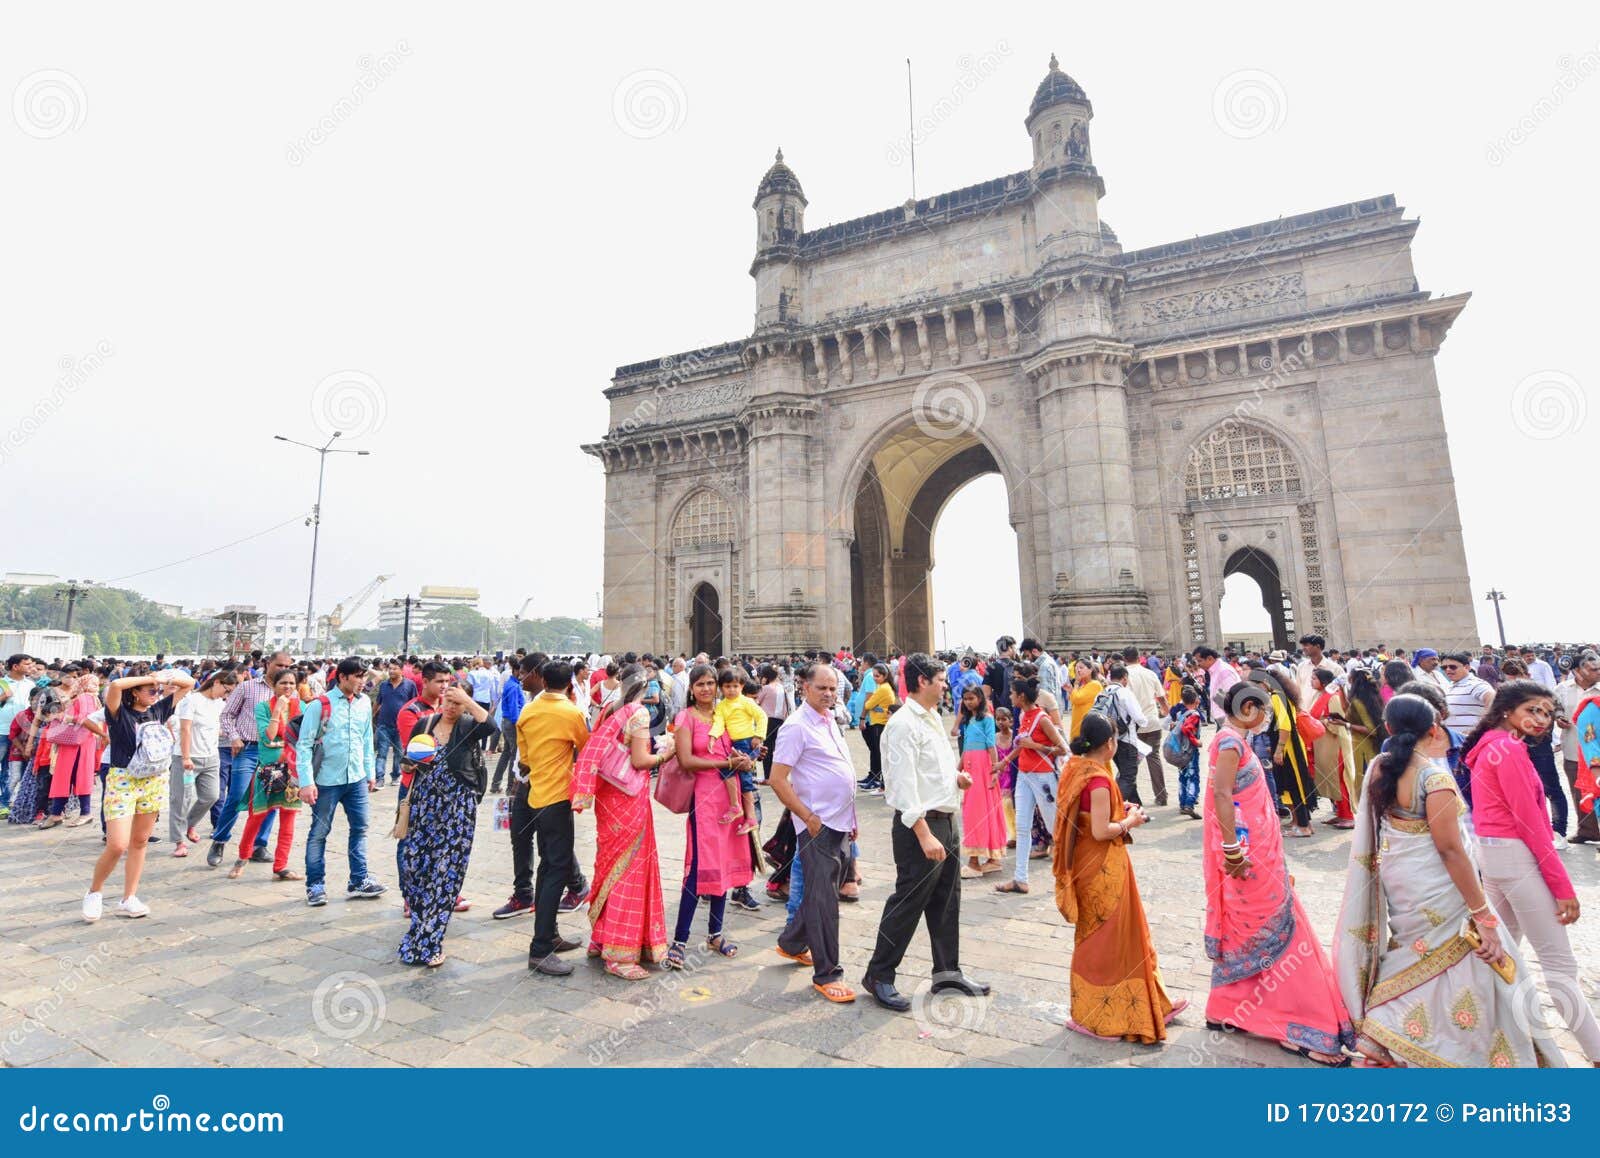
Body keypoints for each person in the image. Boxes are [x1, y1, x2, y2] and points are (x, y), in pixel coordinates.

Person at [1334, 694, 1561, 1067]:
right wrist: (1482, 912)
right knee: (1468, 958)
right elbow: (1451, 851)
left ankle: (1386, 1034)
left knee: (1413, 948)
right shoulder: (1434, 778)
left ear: (1388, 729)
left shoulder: (1379, 767)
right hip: (1439, 886)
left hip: (1401, 880)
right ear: (1434, 728)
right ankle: (1438, 1041)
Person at [1202, 682, 1354, 1066]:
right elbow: (1222, 795)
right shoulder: (1230, 744)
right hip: (1247, 856)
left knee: (1249, 928)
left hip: (1259, 852)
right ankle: (1298, 1020)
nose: (1268, 717)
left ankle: (1228, 1007)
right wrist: (1233, 849)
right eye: (1265, 710)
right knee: (1276, 929)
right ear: (1249, 707)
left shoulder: (1234, 739)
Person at [1462, 679, 1600, 1064]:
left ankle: (1470, 1033)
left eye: (1546, 712)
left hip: (1493, 856)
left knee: (1499, 954)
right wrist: (1562, 886)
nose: (1541, 720)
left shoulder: (1490, 744)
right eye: (1532, 710)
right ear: (1508, 710)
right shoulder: (1506, 749)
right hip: (1517, 857)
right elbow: (1532, 825)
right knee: (1557, 963)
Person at [862, 652, 989, 1012]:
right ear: (922, 682)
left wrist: (956, 779)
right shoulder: (903, 724)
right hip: (920, 826)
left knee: (948, 901)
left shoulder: (932, 717)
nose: (946, 684)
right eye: (940, 679)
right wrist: (922, 832)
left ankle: (947, 972)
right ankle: (879, 974)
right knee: (908, 902)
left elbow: (928, 770)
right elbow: (901, 786)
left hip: (946, 821)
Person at [1053, 710, 1181, 1043]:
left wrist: (1120, 813)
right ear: (1109, 744)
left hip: (1093, 865)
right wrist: (1130, 821)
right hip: (1101, 869)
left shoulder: (1075, 768)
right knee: (1106, 940)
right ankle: (1097, 1016)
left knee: (1124, 936)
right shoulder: (1096, 780)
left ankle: (1154, 1002)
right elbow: (1100, 830)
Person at [571, 666, 672, 980]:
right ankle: (620, 954)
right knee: (630, 871)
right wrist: (667, 754)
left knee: (610, 866)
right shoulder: (639, 715)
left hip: (609, 801)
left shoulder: (609, 712)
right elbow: (641, 761)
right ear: (647, 689)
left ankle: (602, 940)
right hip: (629, 800)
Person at [770, 662, 858, 1003]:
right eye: (822, 687)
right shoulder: (796, 726)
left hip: (840, 821)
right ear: (803, 687)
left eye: (833, 688)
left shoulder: (830, 719)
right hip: (817, 824)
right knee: (824, 900)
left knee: (823, 891)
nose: (829, 694)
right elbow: (778, 780)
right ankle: (827, 974)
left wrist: (853, 819)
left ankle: (792, 942)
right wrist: (806, 815)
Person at [83, 667, 196, 922]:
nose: (156, 693)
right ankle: (94, 891)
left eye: (158, 691)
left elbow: (188, 683)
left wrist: (162, 680)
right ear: (134, 692)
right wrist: (152, 679)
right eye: (150, 691)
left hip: (154, 779)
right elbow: (115, 686)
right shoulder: (118, 713)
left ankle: (129, 897)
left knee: (140, 841)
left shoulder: (159, 709)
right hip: (123, 779)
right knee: (117, 844)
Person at [398, 686, 495, 967]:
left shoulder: (468, 726)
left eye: (458, 703)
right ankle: (418, 931)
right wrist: (408, 766)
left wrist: (468, 701)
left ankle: (430, 942)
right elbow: (409, 758)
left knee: (445, 875)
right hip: (424, 808)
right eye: (448, 701)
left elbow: (489, 724)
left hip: (457, 812)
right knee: (415, 869)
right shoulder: (425, 723)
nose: (452, 707)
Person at [516, 659, 591, 976]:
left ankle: (550, 934)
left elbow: (526, 760)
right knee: (555, 871)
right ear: (570, 683)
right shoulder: (571, 712)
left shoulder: (528, 711)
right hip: (558, 797)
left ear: (543, 680)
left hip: (534, 796)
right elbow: (586, 749)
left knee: (549, 866)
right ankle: (541, 948)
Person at [297, 657, 384, 908]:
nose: (362, 682)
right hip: (326, 780)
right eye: (358, 677)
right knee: (319, 833)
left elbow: (367, 738)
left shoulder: (364, 703)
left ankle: (359, 879)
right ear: (342, 677)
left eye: (364, 677)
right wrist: (306, 782)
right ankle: (315, 885)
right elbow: (304, 746)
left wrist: (370, 772)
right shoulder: (319, 705)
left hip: (356, 778)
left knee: (360, 828)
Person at [211, 650, 292, 868]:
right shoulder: (248, 687)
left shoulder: (288, 693)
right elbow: (227, 715)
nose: (283, 670)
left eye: (287, 666)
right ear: (268, 663)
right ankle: (220, 839)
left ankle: (259, 844)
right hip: (248, 749)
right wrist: (234, 738)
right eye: (279, 665)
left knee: (271, 798)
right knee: (237, 795)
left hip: (275, 752)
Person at [227, 667, 304, 881]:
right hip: (267, 771)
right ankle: (242, 857)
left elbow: (305, 738)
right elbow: (267, 737)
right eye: (283, 683)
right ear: (274, 685)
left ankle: (281, 866)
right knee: (257, 816)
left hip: (293, 770)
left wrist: (282, 743)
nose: (287, 687)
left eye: (291, 683)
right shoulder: (263, 707)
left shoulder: (302, 707)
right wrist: (278, 711)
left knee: (288, 820)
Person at [996, 677, 1065, 896]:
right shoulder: (1024, 715)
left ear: (1021, 696)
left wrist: (1034, 745)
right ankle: (1020, 878)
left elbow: (1062, 748)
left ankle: (1071, 875)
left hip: (1043, 778)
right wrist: (1004, 762)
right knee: (1022, 826)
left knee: (1056, 828)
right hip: (1025, 776)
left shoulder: (1042, 718)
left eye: (1012, 693)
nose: (1010, 696)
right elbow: (1020, 745)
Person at [168, 669, 237, 856]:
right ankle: (179, 841)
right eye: (227, 690)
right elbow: (185, 729)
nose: (227, 694)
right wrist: (185, 757)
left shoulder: (219, 705)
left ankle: (189, 823)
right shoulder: (191, 700)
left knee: (212, 796)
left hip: (211, 756)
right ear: (216, 683)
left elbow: (220, 729)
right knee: (181, 799)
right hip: (187, 757)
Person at [954, 682, 1005, 877]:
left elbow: (991, 746)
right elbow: (966, 747)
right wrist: (957, 769)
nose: (968, 702)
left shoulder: (987, 719)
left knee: (978, 811)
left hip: (983, 766)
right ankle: (992, 858)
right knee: (974, 810)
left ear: (980, 698)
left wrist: (994, 771)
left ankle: (975, 861)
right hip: (969, 765)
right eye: (965, 699)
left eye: (971, 698)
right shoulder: (968, 720)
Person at [709, 669, 765, 835]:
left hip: (746, 741)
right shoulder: (721, 706)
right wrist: (713, 736)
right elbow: (719, 722)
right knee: (729, 771)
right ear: (721, 688)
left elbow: (762, 717)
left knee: (745, 777)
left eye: (735, 686)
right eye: (727, 686)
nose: (732, 690)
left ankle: (747, 814)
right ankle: (738, 807)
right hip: (734, 744)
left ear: (741, 686)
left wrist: (758, 736)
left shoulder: (746, 702)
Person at [1555, 650, 1600, 845]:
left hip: (1597, 753)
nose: (1599, 672)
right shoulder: (1562, 689)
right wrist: (1558, 718)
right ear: (1577, 670)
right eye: (1594, 669)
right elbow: (1553, 709)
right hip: (1573, 750)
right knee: (1579, 791)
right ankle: (1588, 830)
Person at [1095, 664, 1152, 806]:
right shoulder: (1124, 692)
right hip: (1127, 739)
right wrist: (1145, 722)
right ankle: (1112, 807)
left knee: (1125, 773)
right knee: (1128, 776)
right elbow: (1140, 718)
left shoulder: (1103, 692)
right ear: (1125, 677)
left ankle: (1137, 807)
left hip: (1110, 740)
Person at [1308, 668, 1357, 829]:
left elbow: (1338, 723)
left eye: (1314, 678)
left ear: (1323, 681)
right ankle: (1340, 814)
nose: (1311, 681)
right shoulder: (1321, 696)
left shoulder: (1334, 697)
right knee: (1331, 778)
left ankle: (1348, 816)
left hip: (1335, 745)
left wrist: (1319, 722)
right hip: (1323, 744)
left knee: (1339, 778)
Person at [1121, 646, 1168, 806]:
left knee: (1130, 762)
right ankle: (1162, 796)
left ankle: (1124, 797)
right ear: (1139, 657)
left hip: (1134, 725)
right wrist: (1166, 711)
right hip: (1153, 722)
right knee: (1154, 757)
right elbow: (1161, 697)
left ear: (1124, 658)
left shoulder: (1123, 675)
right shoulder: (1150, 673)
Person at [372, 659, 417, 789]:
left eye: (394, 668)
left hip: (401, 726)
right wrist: (372, 715)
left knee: (399, 753)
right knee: (381, 753)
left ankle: (396, 776)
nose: (391, 671)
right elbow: (378, 702)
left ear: (401, 670)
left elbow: (414, 703)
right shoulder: (384, 685)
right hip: (383, 724)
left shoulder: (410, 685)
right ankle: (379, 778)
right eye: (390, 668)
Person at [491, 654, 525, 795]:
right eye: (522, 672)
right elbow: (513, 710)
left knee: (506, 753)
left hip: (507, 722)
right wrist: (519, 725)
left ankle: (495, 783)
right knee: (513, 755)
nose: (523, 675)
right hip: (511, 722)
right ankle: (510, 787)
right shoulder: (513, 686)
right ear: (516, 671)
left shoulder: (513, 684)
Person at [858, 664, 895, 793]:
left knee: (881, 755)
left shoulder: (883, 689)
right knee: (881, 754)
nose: (874, 678)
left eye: (877, 676)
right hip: (879, 721)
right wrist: (876, 707)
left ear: (884, 676)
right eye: (873, 675)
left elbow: (868, 704)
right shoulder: (884, 687)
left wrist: (874, 707)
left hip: (880, 723)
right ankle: (881, 784)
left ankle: (881, 786)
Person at [1441, 652, 1493, 733]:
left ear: (1467, 667)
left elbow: (1493, 703)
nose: (1448, 670)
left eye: (1452, 667)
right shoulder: (1448, 685)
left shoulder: (1476, 684)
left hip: (1470, 741)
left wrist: (1477, 730)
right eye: (1444, 667)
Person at [1173, 686, 1204, 819]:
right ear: (1196, 699)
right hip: (1190, 750)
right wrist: (1196, 741)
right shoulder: (1194, 714)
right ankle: (1189, 804)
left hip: (1180, 750)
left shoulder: (1180, 713)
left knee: (1183, 777)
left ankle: (1182, 802)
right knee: (1192, 776)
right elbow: (1187, 729)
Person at [1067, 661, 1104, 743]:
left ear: (1090, 670)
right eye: (1076, 668)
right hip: (1078, 726)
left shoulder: (1094, 684)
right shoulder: (1083, 685)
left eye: (1081, 667)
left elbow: (1076, 699)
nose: (1078, 670)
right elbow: (1074, 700)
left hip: (1086, 728)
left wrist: (1076, 683)